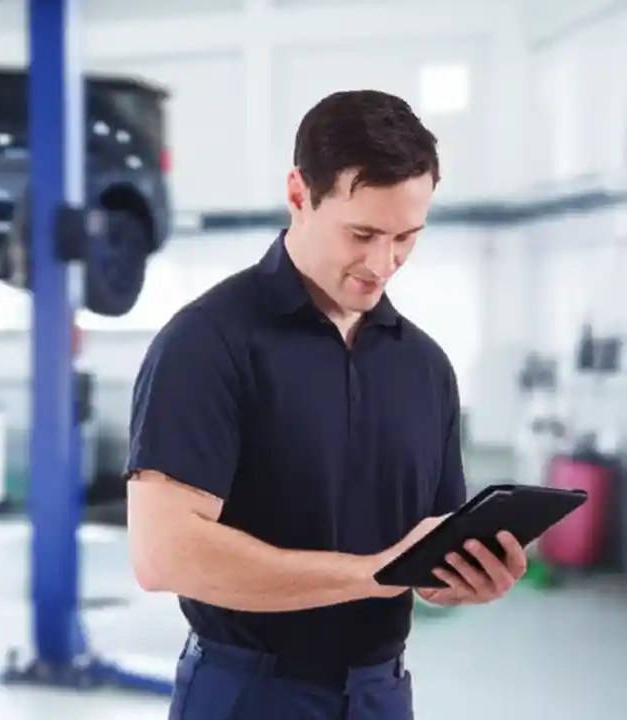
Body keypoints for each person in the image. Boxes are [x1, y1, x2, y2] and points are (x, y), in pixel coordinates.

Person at [124, 89, 528, 720]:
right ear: (298, 195)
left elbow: (422, 566)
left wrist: (465, 580)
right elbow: (163, 555)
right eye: (362, 233)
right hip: (249, 692)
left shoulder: (424, 367)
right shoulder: (208, 342)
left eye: (406, 237)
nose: (383, 263)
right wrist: (369, 573)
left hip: (381, 692)